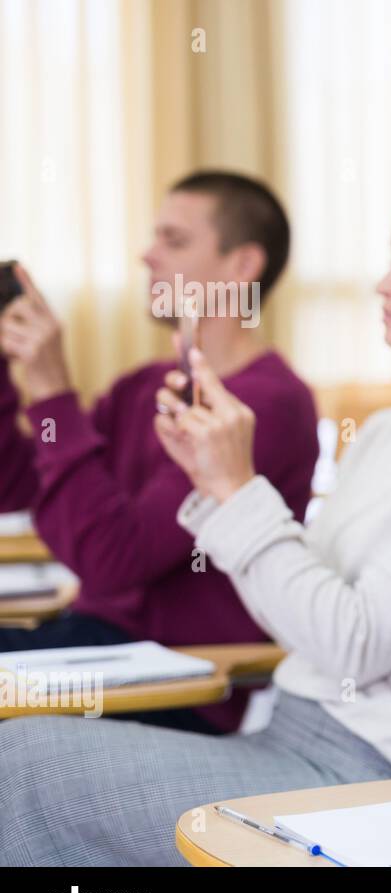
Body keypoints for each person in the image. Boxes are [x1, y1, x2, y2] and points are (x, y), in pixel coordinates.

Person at [0, 169, 391, 866]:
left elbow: (353, 644)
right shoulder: (388, 432)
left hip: (374, 776)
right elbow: (291, 614)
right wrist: (218, 486)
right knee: (21, 760)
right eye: (389, 258)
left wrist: (233, 489)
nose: (383, 283)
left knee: (17, 765)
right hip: (286, 734)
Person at [0, 171, 318, 733]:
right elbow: (23, 484)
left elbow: (114, 560)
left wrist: (51, 393)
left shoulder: (261, 405)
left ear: (242, 265)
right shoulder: (141, 386)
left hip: (168, 683)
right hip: (90, 648)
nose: (147, 255)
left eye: (174, 240)